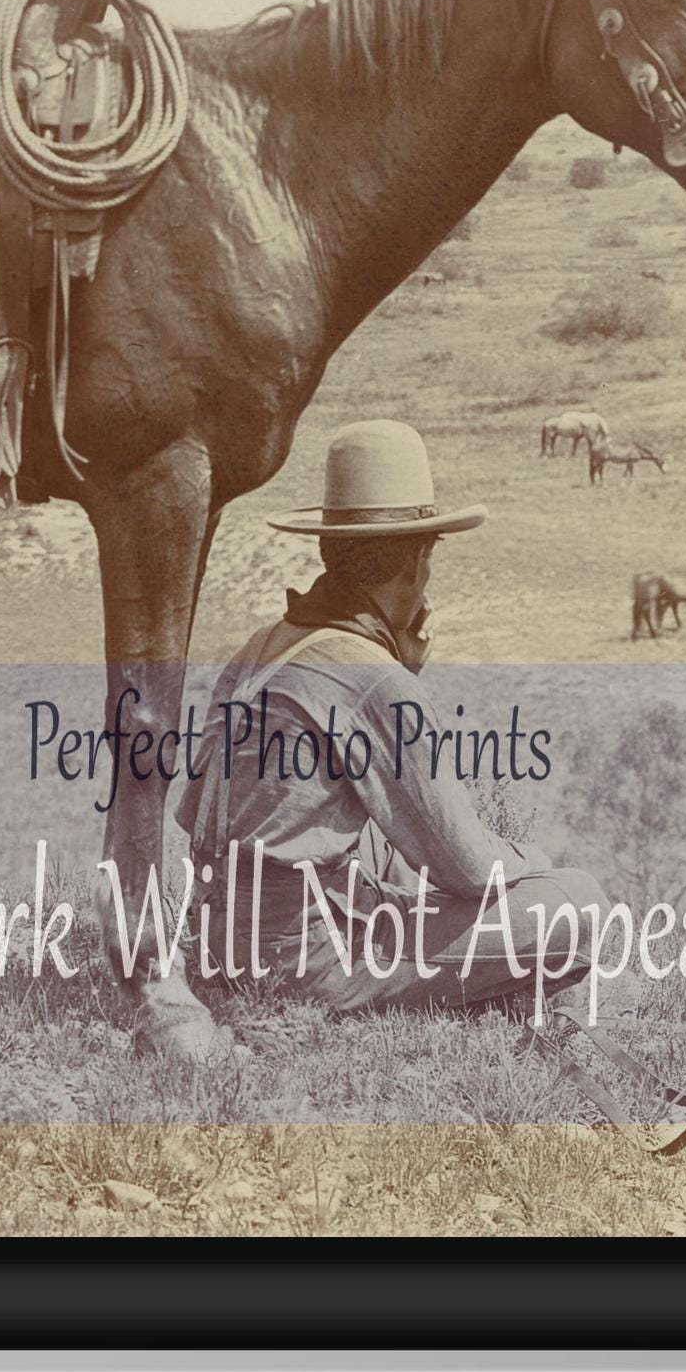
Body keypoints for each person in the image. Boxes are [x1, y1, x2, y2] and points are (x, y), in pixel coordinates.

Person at [174, 419, 610, 1015]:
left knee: (394, 868)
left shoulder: (264, 644)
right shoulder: (374, 679)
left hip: (216, 945)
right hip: (304, 963)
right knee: (577, 903)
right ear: (415, 563)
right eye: (427, 560)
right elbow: (471, 869)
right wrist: (534, 866)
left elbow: (194, 810)